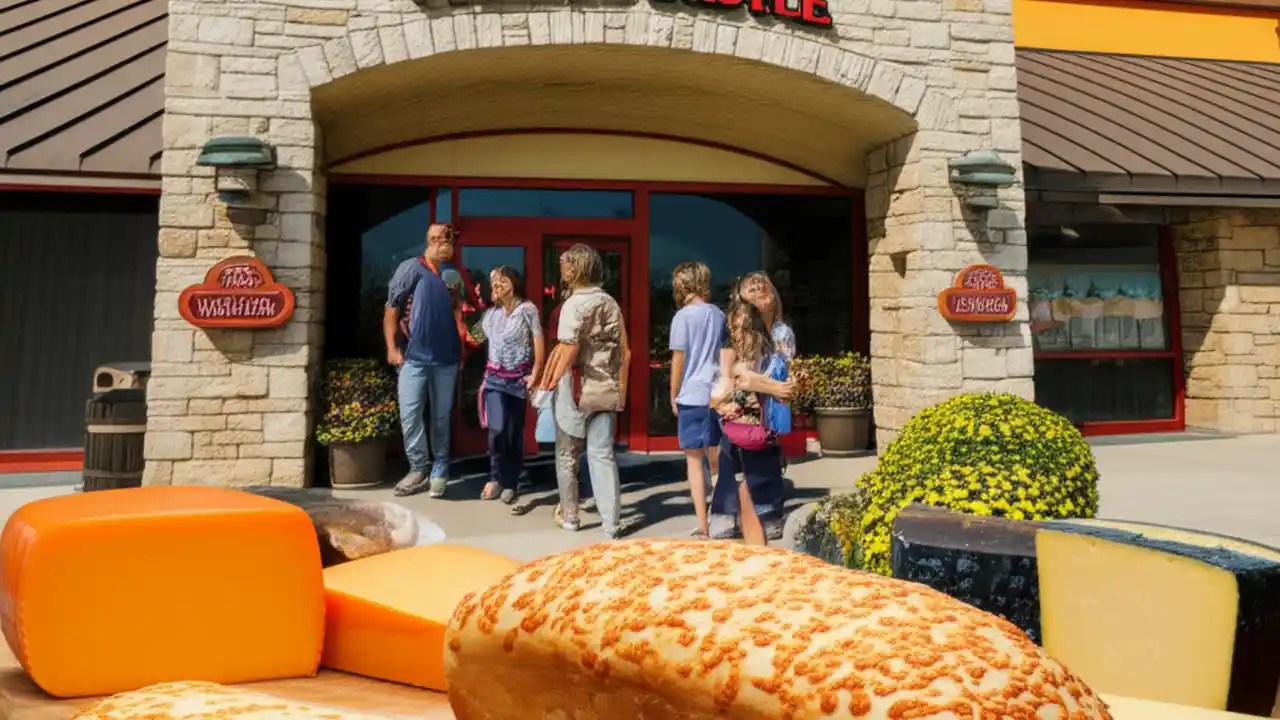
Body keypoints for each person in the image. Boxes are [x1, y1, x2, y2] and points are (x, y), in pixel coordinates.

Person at [534, 244, 631, 539]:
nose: (562, 271)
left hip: (575, 390)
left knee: (567, 455)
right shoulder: (611, 303)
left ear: (575, 270)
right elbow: (625, 352)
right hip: (605, 387)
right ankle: (611, 523)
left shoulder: (573, 306)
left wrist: (545, 385)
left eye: (565, 266)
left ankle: (571, 516)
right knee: (602, 455)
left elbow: (568, 350)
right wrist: (621, 391)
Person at [384, 223, 470, 498]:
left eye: (445, 240)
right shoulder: (411, 268)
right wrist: (391, 348)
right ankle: (418, 468)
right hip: (413, 358)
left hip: (446, 360)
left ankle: (440, 468)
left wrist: (465, 344)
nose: (439, 244)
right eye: (434, 239)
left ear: (451, 245)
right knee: (410, 415)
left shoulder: (453, 275)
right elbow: (391, 309)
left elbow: (461, 314)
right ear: (427, 241)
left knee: (441, 417)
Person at [709, 272, 796, 539]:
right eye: (752, 289)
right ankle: (736, 516)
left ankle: (756, 516)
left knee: (759, 459)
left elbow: (787, 367)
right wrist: (774, 387)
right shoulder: (741, 328)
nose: (759, 292)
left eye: (763, 288)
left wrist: (786, 386)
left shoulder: (780, 331)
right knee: (738, 460)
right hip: (742, 409)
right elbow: (737, 374)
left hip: (763, 410)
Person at [668, 261, 725, 540]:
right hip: (715, 390)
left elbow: (678, 357)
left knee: (693, 460)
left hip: (691, 392)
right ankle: (723, 517)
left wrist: (672, 392)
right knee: (716, 457)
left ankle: (703, 525)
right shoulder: (717, 314)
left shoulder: (682, 317)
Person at [478, 266, 544, 505]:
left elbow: (538, 341)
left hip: (518, 379)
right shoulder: (491, 314)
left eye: (502, 281)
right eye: (494, 282)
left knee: (514, 432)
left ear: (514, 283)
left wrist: (536, 373)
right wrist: (458, 310)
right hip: (494, 379)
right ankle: (495, 477)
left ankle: (511, 482)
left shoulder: (527, 310)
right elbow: (473, 337)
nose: (497, 285)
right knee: (496, 430)